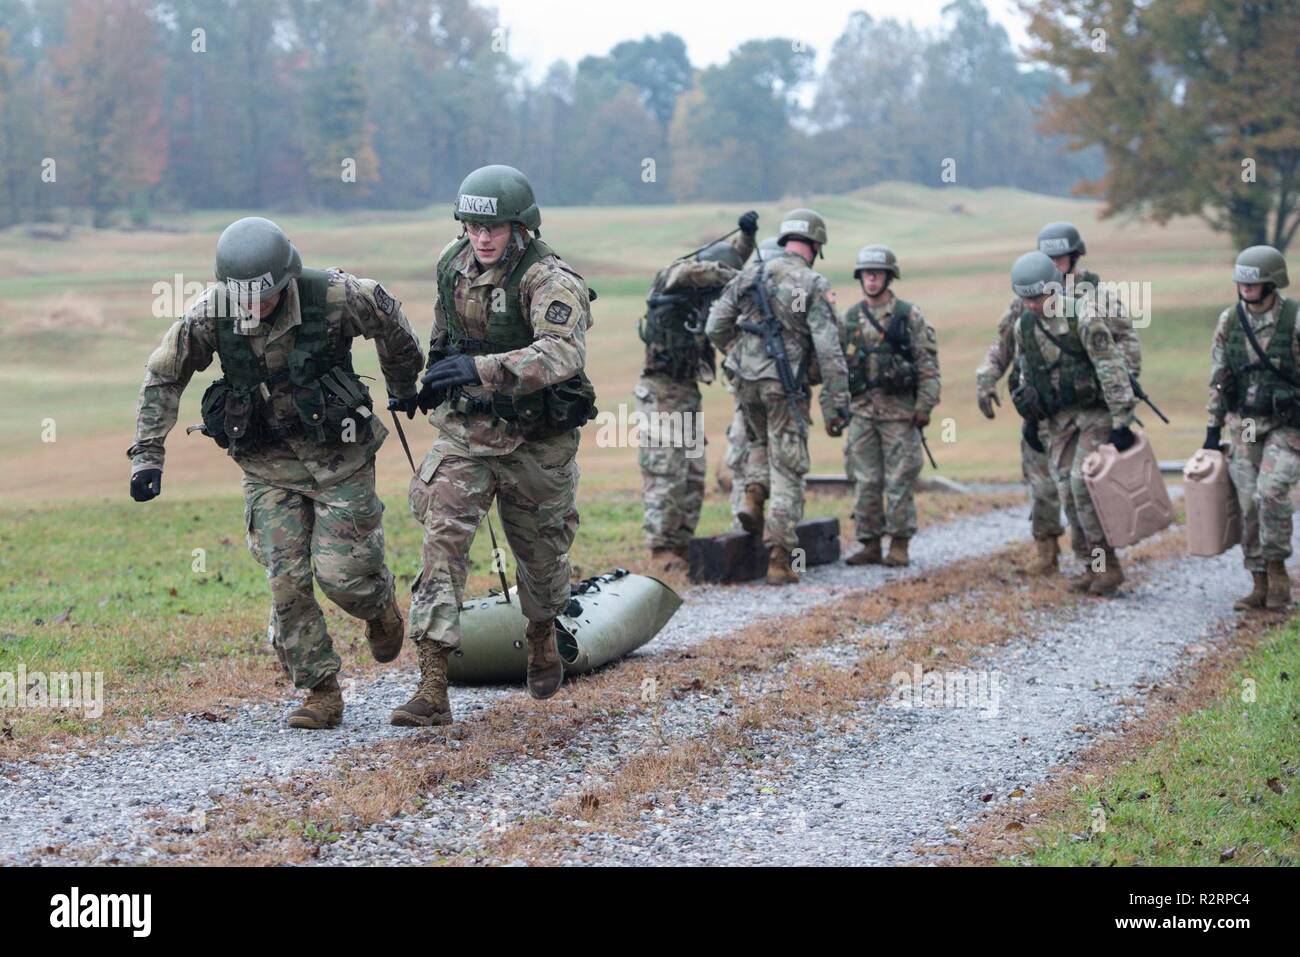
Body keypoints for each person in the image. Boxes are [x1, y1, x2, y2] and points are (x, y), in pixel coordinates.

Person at [128, 217, 423, 729]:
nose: (251, 306)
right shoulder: (210, 314)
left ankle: (379, 608)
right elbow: (164, 375)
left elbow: (392, 327)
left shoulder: (334, 294)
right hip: (267, 465)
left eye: (261, 295)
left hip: (341, 458)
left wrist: (403, 384)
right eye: (240, 295)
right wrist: (148, 455)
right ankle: (321, 692)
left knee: (344, 576)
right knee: (285, 582)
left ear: (286, 278)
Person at [392, 165, 597, 727]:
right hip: (467, 437)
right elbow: (444, 334)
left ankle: (541, 632)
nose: (482, 238)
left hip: (537, 440)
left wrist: (479, 369)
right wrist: (427, 385)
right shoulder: (451, 265)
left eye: (496, 227)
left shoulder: (550, 279)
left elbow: (561, 354)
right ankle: (432, 685)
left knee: (543, 556)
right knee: (442, 540)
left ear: (520, 228)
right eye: (473, 225)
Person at [706, 209, 851, 585]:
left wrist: (740, 356)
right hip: (784, 386)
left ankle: (753, 494)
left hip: (745, 380)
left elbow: (714, 326)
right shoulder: (812, 283)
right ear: (816, 245)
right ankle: (779, 558)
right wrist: (836, 405)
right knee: (788, 466)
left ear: (786, 239)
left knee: (758, 441)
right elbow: (830, 351)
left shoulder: (751, 273)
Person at [1009, 250, 1139, 595]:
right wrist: (1028, 417)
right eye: (1027, 298)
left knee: (1083, 483)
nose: (1034, 304)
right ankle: (1090, 566)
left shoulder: (1083, 315)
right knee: (1066, 489)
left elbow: (1110, 366)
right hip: (1059, 420)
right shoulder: (1024, 327)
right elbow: (1026, 374)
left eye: (1039, 296)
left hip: (1094, 413)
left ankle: (1108, 567)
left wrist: (1122, 420)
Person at [637, 212, 758, 570]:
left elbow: (729, 256)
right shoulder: (671, 280)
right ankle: (662, 549)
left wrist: (747, 240)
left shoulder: (702, 297)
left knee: (692, 473)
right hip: (660, 390)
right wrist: (735, 278)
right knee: (666, 471)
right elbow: (697, 270)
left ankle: (683, 544)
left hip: (687, 391)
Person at [1205, 244, 1295, 611]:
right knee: (1247, 503)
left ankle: (1277, 572)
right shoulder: (1229, 321)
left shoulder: (1294, 320)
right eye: (1241, 281)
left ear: (1272, 283)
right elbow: (1218, 377)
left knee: (1269, 493)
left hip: (1289, 426)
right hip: (1243, 424)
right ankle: (1257, 579)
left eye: (1253, 282)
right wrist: (1212, 428)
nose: (1245, 287)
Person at [840, 245, 940, 567]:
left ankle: (899, 543)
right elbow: (837, 368)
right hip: (862, 412)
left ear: (888, 276)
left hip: (899, 413)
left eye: (877, 273)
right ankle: (869, 542)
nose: (871, 279)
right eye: (866, 273)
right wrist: (836, 408)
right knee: (865, 480)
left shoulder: (909, 316)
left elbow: (927, 365)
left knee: (899, 479)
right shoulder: (851, 318)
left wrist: (924, 405)